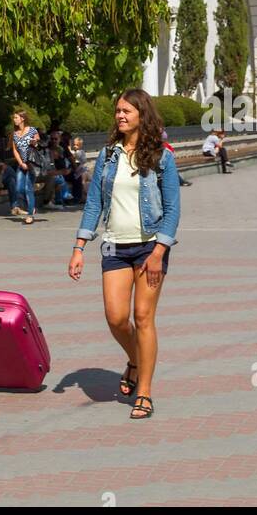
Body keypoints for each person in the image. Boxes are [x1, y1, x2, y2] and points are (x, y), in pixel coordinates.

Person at [68, 89, 180, 421]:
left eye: (127, 110)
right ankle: (135, 360)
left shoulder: (163, 157)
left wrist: (160, 251)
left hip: (149, 247)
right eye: (117, 110)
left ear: (142, 115)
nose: (120, 115)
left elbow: (172, 210)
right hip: (114, 246)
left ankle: (144, 392)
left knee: (143, 317)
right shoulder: (108, 155)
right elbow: (94, 205)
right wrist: (79, 247)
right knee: (116, 318)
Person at [11, 107, 40, 225]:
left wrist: (35, 142)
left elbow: (38, 142)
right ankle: (29, 207)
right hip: (22, 164)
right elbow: (15, 150)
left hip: (32, 164)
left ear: (22, 119)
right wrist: (21, 163)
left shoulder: (32, 130)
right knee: (18, 189)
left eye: (16, 117)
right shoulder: (15, 134)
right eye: (14, 117)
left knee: (28, 189)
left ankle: (30, 215)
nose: (14, 120)